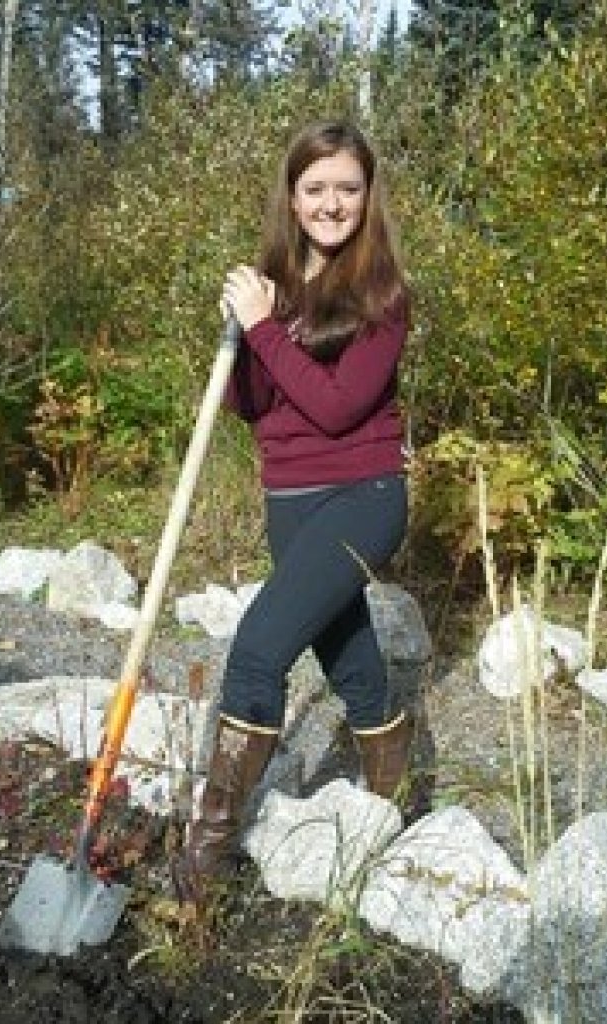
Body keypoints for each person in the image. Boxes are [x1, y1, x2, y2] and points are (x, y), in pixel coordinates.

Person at [174, 121, 421, 905]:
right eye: (315, 188)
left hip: (363, 497)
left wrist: (263, 328)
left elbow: (338, 407)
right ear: (292, 197)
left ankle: (204, 865)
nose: (332, 203)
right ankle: (397, 800)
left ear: (368, 197)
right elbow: (254, 404)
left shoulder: (384, 296)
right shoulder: (274, 290)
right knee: (350, 661)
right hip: (288, 500)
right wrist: (244, 335)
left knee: (257, 651)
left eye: (348, 188)